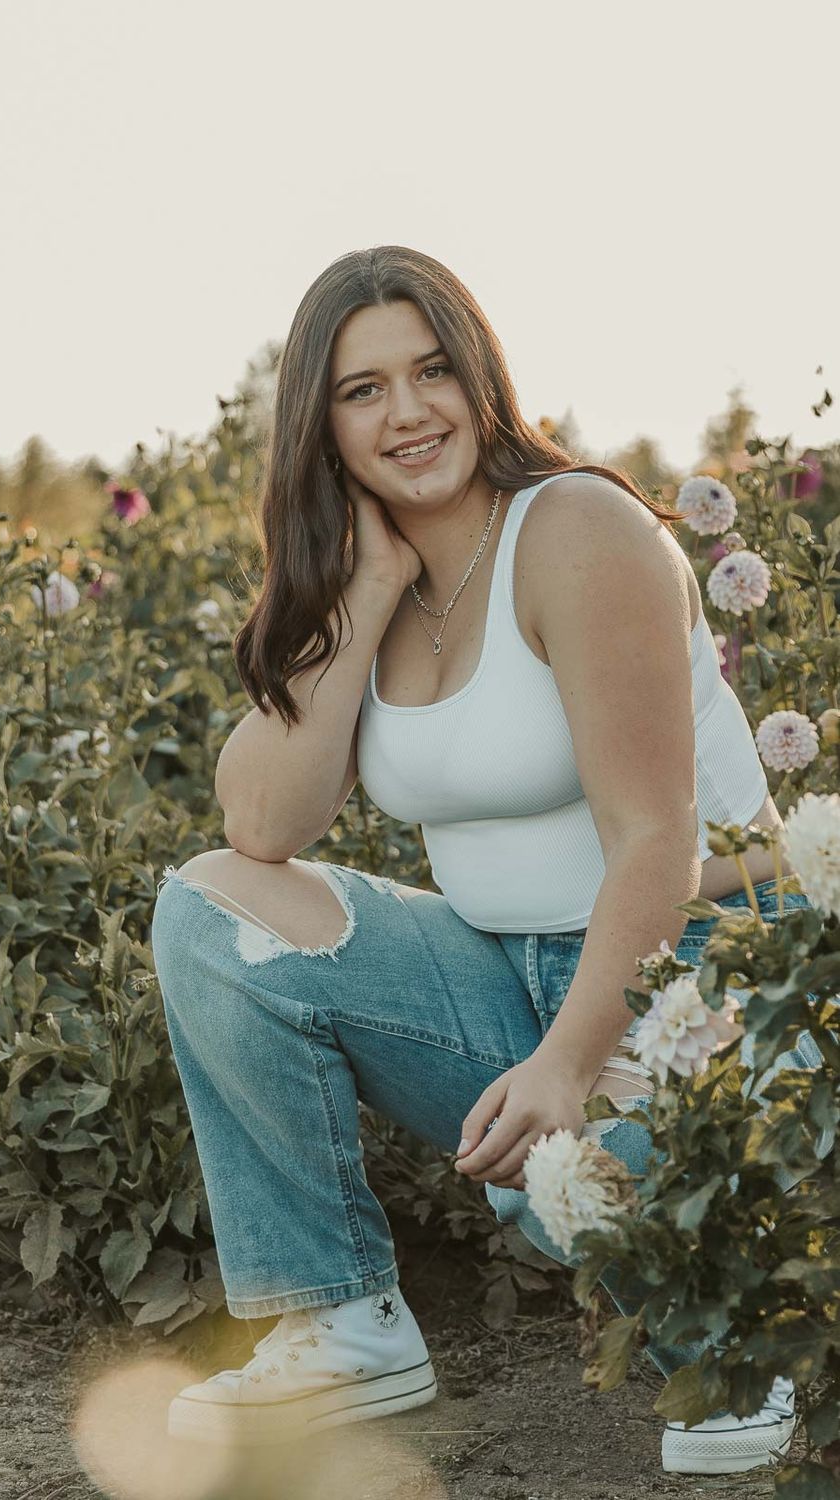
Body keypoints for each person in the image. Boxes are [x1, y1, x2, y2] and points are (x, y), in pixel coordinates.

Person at [150, 245, 820, 1473]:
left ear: (480, 377)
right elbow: (260, 827)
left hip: (707, 968)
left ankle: (738, 1346)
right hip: (498, 966)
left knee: (563, 1184)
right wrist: (362, 593)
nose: (408, 412)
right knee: (212, 913)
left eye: (432, 371)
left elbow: (656, 836)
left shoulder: (575, 531)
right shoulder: (375, 578)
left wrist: (565, 1062)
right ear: (321, 425)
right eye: (362, 391)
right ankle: (344, 1322)